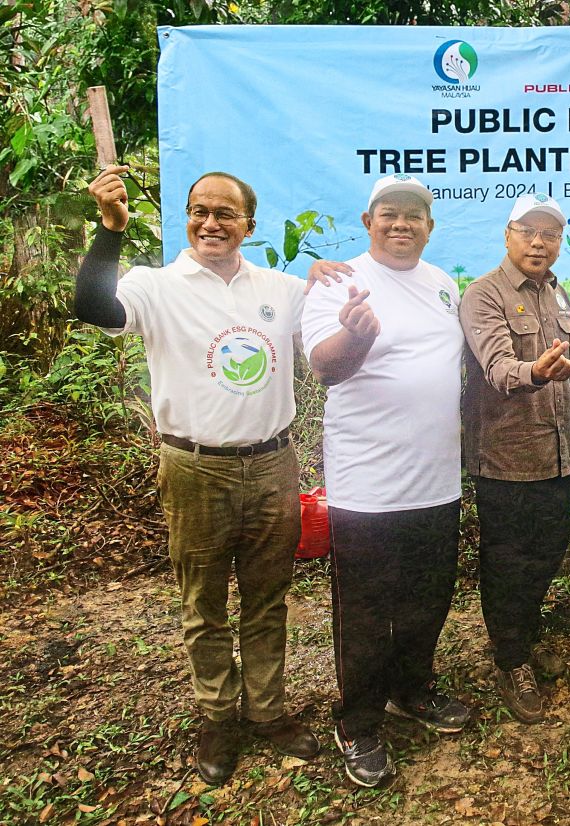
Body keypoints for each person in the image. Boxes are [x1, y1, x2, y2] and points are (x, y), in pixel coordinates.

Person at [74, 166, 322, 784]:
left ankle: (267, 711)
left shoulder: (281, 288)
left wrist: (332, 279)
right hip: (193, 467)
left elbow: (331, 333)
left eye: (225, 214)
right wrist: (110, 231)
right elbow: (89, 305)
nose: (211, 223)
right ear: (188, 217)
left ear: (249, 225)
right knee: (204, 602)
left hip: (272, 464)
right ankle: (218, 716)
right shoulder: (154, 285)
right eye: (199, 211)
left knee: (267, 599)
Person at [301, 174, 469, 786]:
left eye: (414, 216)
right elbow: (326, 366)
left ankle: (413, 689)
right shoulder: (340, 282)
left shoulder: (444, 285)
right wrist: (356, 335)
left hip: (437, 482)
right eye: (389, 215)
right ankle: (359, 722)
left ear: (430, 227)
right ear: (368, 223)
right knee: (367, 613)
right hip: (366, 487)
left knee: (429, 599)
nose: (402, 224)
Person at [459, 194, 570, 723]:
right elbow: (496, 367)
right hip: (508, 458)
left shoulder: (558, 295)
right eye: (528, 231)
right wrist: (534, 372)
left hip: (558, 454)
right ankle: (509, 661)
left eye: (551, 234)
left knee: (545, 555)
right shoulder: (483, 295)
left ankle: (525, 637)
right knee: (507, 565)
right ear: (508, 235)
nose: (539, 242)